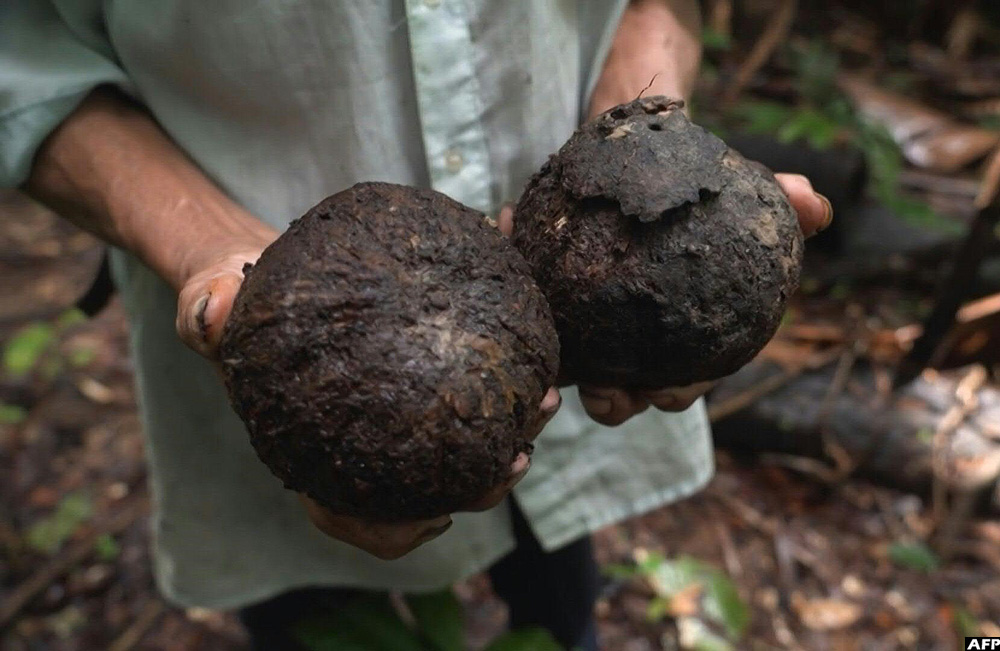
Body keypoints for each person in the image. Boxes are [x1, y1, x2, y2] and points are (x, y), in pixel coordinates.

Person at [1, 1, 831, 648]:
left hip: (561, 343)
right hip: (256, 323)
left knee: (558, 594)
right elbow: (22, 66)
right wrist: (206, 248)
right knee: (309, 611)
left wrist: (641, 139)